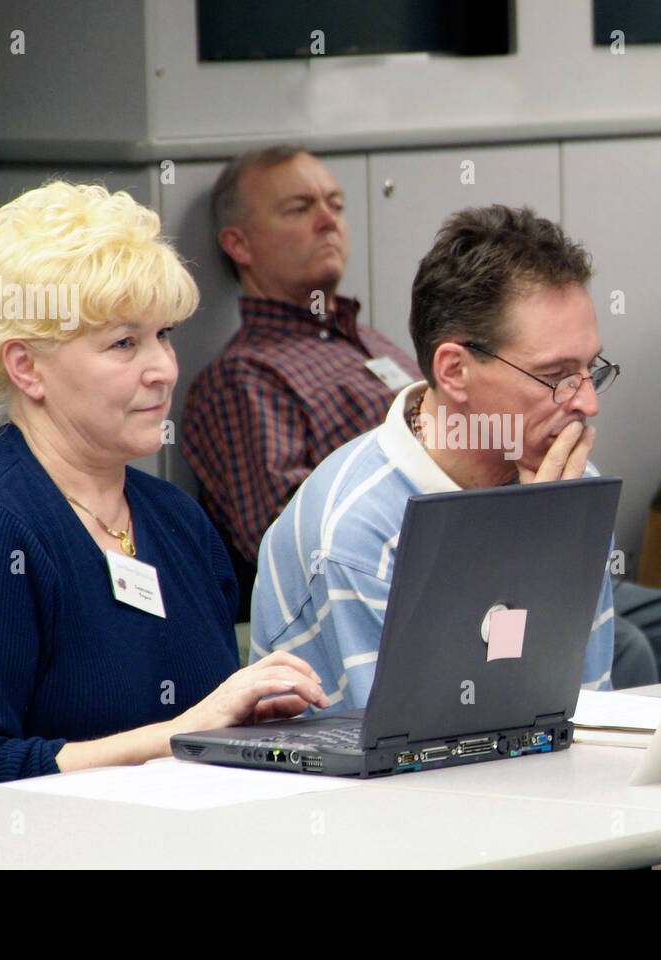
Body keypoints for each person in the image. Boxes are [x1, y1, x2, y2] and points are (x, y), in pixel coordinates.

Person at [0, 182, 328, 801]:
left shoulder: (175, 519)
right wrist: (181, 737)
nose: (162, 368)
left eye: (164, 335)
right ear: (26, 367)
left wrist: (252, 723)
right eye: (124, 343)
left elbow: (199, 731)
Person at [252, 205, 635, 709]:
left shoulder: (569, 483)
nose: (588, 403)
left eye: (591, 369)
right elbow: (424, 751)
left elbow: (583, 714)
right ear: (454, 371)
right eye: (557, 376)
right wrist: (533, 555)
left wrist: (547, 531)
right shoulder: (358, 531)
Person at [183, 146, 421, 615]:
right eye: (300, 208)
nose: (328, 221)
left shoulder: (376, 342)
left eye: (336, 205)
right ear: (239, 245)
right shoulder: (244, 376)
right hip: (392, 600)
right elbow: (295, 548)